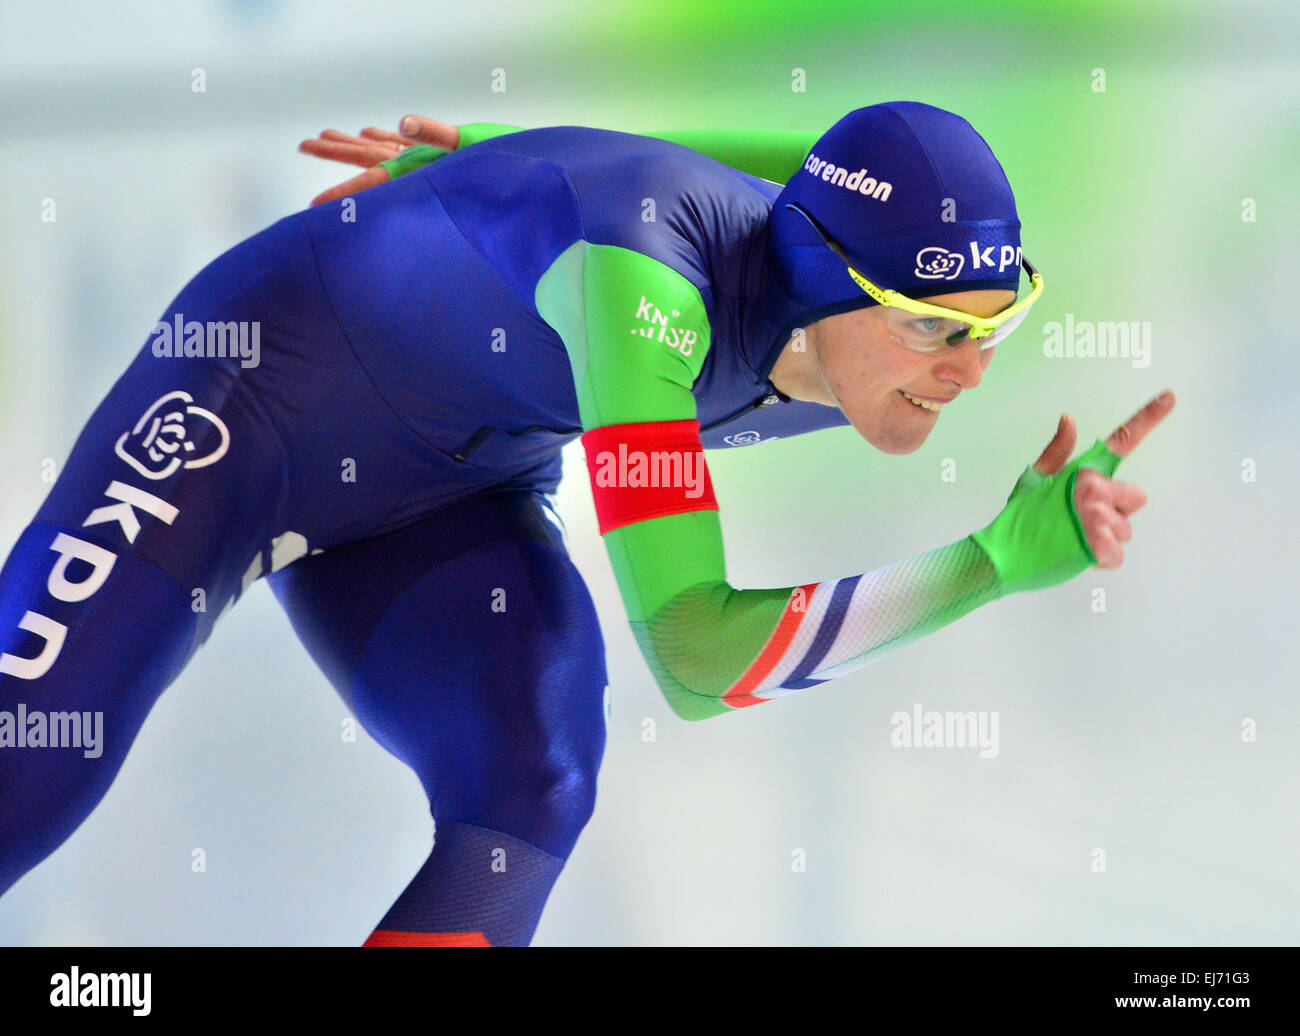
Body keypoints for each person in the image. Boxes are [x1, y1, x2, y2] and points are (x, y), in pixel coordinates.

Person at [0, 102, 1173, 946]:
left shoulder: (840, 277)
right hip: (251, 399)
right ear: (824, 283)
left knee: (528, 790)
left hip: (451, 485)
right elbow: (698, 653)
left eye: (989, 326)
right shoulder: (640, 299)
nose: (964, 371)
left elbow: (765, 160)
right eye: (928, 327)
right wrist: (989, 565)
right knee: (27, 784)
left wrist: (476, 157)